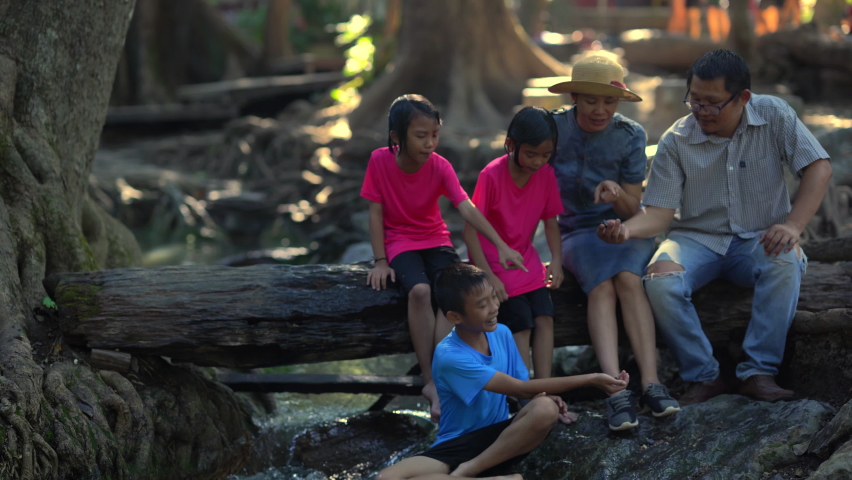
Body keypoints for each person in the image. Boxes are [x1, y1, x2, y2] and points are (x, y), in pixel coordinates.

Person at [598, 49, 832, 406]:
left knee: (786, 261)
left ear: (743, 98)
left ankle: (758, 373)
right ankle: (704, 377)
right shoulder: (677, 139)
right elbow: (659, 214)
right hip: (696, 239)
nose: (701, 111)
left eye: (712, 103)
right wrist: (626, 230)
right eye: (694, 100)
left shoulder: (774, 114)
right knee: (661, 280)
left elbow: (818, 168)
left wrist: (793, 225)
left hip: (760, 236)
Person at [375, 263, 628, 480]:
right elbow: (517, 388)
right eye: (482, 304)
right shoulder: (450, 355)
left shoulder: (502, 333)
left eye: (493, 297)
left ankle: (467, 472)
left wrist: (543, 402)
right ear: (454, 316)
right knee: (386, 478)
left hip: (503, 436)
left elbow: (524, 388)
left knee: (545, 408)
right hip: (457, 444)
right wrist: (593, 379)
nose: (494, 307)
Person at [361, 94, 528, 422]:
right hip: (400, 242)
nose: (429, 143)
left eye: (434, 135)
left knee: (450, 296)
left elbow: (466, 207)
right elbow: (375, 213)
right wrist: (380, 260)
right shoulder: (379, 161)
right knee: (420, 292)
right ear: (397, 137)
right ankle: (431, 381)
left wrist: (501, 244)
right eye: (420, 136)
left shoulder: (440, 166)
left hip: (435, 240)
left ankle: (449, 373)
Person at [547, 54, 681, 431]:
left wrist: (615, 195)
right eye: (590, 100)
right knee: (602, 286)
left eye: (609, 101)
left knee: (627, 278)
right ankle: (615, 390)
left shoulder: (630, 135)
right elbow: (534, 193)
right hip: (575, 232)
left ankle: (652, 383)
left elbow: (634, 206)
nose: (600, 110)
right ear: (573, 97)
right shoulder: (553, 130)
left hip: (626, 229)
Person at [463, 106, 564, 385]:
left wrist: (556, 260)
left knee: (544, 315)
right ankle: (522, 390)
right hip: (493, 262)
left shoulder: (545, 174)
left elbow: (551, 221)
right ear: (511, 145)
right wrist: (488, 277)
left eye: (545, 155)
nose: (537, 162)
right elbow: (470, 232)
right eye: (530, 154)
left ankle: (544, 387)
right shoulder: (491, 175)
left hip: (525, 260)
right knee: (520, 320)